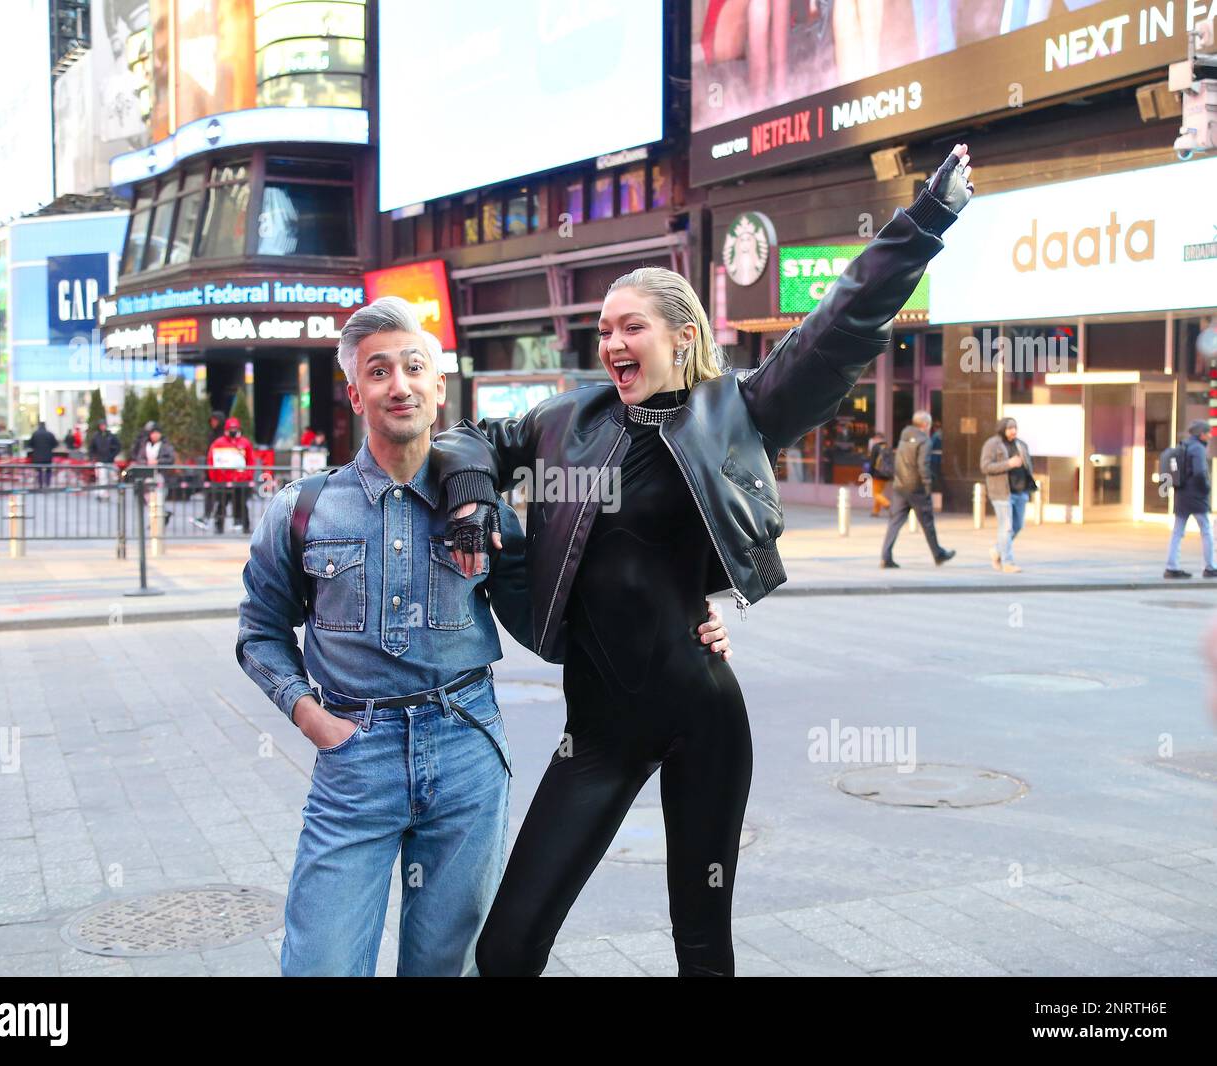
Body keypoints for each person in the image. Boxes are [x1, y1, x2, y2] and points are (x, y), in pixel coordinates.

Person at [435, 146, 975, 976]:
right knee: (508, 946)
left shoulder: (736, 413)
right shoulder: (566, 420)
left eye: (632, 326)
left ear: (682, 337)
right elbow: (469, 437)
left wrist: (925, 220)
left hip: (704, 720)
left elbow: (839, 329)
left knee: (702, 947)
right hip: (597, 737)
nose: (611, 340)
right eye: (604, 328)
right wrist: (474, 490)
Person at [235, 296, 735, 976]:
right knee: (320, 961)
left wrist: (684, 620)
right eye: (378, 371)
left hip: (465, 750)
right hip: (356, 758)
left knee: (447, 964)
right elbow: (260, 630)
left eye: (415, 367)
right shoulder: (305, 507)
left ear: (439, 388)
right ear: (355, 392)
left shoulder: (486, 509)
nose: (399, 384)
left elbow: (556, 619)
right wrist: (310, 715)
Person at [880, 411, 955, 569]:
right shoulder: (925, 441)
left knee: (894, 522)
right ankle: (938, 554)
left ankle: (885, 556)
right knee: (927, 523)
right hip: (916, 488)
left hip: (900, 486)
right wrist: (928, 486)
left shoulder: (904, 436)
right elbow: (923, 466)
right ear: (925, 425)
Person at [980, 416, 1036, 573]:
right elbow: (985, 466)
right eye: (1010, 428)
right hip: (1001, 492)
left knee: (1018, 526)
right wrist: (1008, 464)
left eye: (1015, 428)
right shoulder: (992, 444)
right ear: (1003, 429)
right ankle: (1007, 562)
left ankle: (997, 550)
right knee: (1006, 527)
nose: (1013, 431)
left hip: (1020, 490)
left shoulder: (1020, 444)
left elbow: (1028, 464)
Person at [1164, 419, 1217, 579]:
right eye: (1208, 432)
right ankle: (1210, 567)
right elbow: (1200, 472)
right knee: (1206, 531)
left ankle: (1171, 567)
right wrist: (1206, 489)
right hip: (1196, 496)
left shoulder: (1183, 445)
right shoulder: (1198, 449)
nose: (1210, 435)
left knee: (1177, 532)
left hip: (1181, 494)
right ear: (1201, 434)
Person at [200, 416, 255, 534]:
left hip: (240, 481)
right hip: (222, 480)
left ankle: (245, 526)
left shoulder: (245, 443)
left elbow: (250, 461)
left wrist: (248, 476)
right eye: (231, 428)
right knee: (221, 504)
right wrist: (215, 477)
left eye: (235, 428)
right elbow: (211, 460)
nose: (233, 431)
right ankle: (219, 526)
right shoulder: (218, 443)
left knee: (242, 504)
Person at [131, 423, 177, 524]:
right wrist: (146, 462)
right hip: (147, 475)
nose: (155, 435)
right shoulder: (144, 445)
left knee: (160, 496)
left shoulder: (165, 446)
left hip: (161, 474)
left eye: (157, 433)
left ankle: (159, 518)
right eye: (153, 433)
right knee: (148, 497)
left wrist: (158, 462)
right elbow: (138, 457)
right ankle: (155, 518)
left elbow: (171, 458)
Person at [88, 419, 122, 499]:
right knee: (102, 477)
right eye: (101, 425)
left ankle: (107, 493)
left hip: (110, 460)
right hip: (100, 460)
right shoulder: (96, 436)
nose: (103, 427)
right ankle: (102, 494)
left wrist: (112, 455)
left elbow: (118, 446)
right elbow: (91, 448)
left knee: (111, 478)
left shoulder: (111, 436)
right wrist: (93, 457)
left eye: (104, 425)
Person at [867, 431, 893, 516]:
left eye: (874, 439)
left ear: (876, 439)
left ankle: (888, 504)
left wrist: (869, 474)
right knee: (879, 492)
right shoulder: (888, 447)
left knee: (876, 493)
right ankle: (875, 511)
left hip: (877, 474)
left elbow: (872, 462)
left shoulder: (876, 447)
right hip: (886, 474)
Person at [28, 421, 59, 488]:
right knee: (48, 470)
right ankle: (47, 484)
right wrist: (50, 447)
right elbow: (56, 444)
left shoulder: (35, 434)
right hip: (48, 456)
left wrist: (35, 448)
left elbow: (30, 444)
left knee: (39, 471)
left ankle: (40, 485)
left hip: (37, 456)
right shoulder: (50, 434)